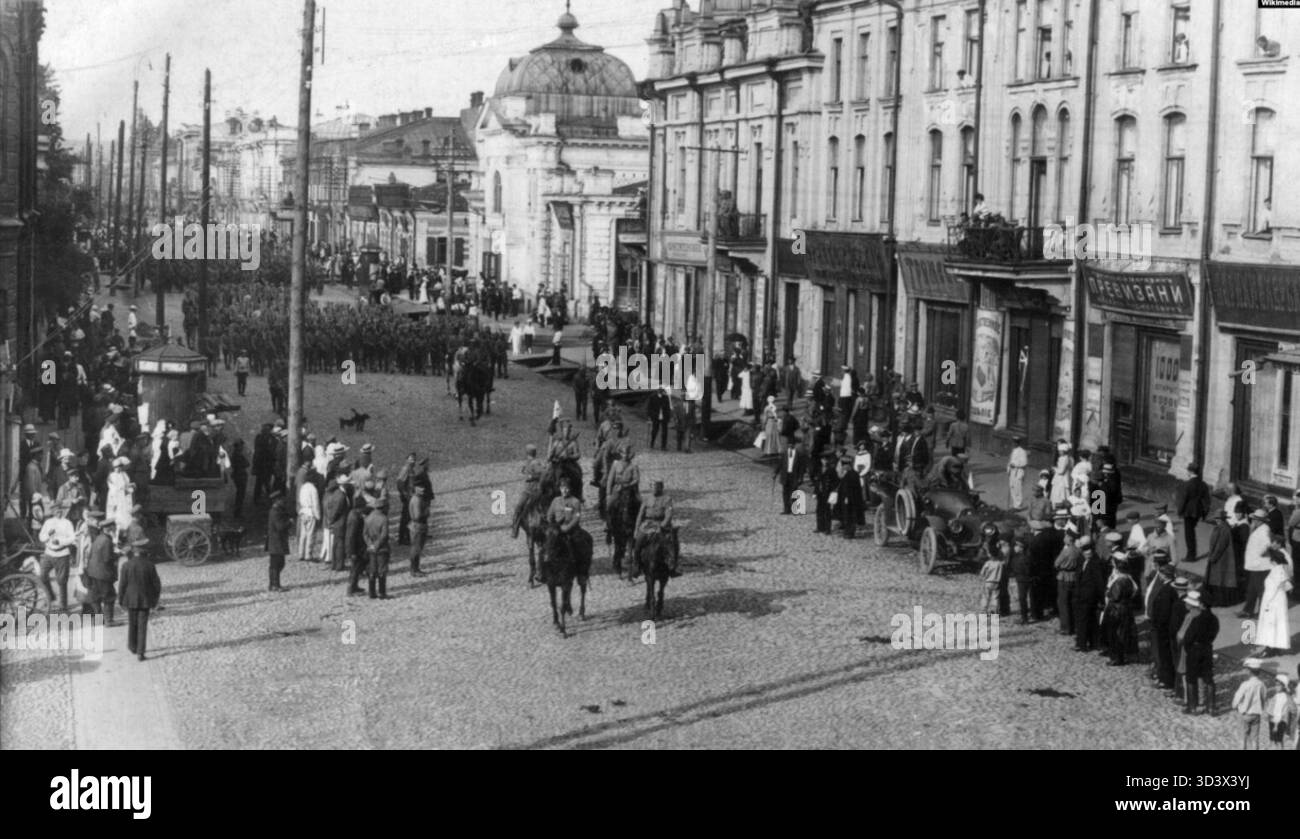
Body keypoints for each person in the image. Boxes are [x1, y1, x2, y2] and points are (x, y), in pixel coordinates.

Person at [117, 536, 161, 661]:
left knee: (132, 623)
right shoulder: (149, 565)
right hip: (145, 600)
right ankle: (141, 652)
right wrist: (154, 600)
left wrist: (120, 600)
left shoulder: (126, 565)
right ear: (144, 551)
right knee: (142, 625)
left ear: (133, 551)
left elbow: (122, 585)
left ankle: (132, 646)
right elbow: (156, 585)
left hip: (130, 599)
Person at [1179, 589, 1220, 716]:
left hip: (1195, 649)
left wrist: (1187, 647)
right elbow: (1214, 634)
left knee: (1191, 677)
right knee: (1208, 678)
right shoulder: (1214, 619)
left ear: (1201, 604)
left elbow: (1188, 636)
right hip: (1207, 648)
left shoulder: (1197, 619)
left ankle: (1192, 706)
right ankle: (1211, 706)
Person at [632, 480, 679, 578]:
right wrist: (636, 529)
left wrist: (662, 526)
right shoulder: (647, 499)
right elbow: (640, 515)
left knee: (672, 543)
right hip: (647, 524)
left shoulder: (667, 499)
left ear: (661, 487)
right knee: (638, 543)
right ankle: (636, 565)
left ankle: (673, 566)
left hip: (661, 524)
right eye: (652, 487)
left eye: (657, 487)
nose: (654, 489)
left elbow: (668, 515)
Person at [37, 502, 76, 613]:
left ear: (62, 511)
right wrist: (48, 535)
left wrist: (60, 541)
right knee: (42, 575)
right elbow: (41, 537)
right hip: (49, 553)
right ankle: (50, 596)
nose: (58, 512)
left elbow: (72, 538)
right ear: (53, 512)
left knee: (62, 581)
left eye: (60, 510)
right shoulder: (48, 522)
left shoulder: (67, 523)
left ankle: (63, 606)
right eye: (56, 510)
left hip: (62, 554)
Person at [1254, 547, 1293, 657]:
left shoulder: (1276, 571)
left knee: (1270, 624)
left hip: (1273, 601)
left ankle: (1270, 648)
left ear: (1274, 561)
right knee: (1278, 623)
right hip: (1280, 600)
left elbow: (1272, 589)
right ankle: (1276, 647)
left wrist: (1267, 604)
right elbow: (1287, 586)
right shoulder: (1282, 569)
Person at [1101, 555, 1139, 665]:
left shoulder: (1120, 581)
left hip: (1116, 610)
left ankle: (1117, 658)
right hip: (1126, 608)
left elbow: (1115, 596)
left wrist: (1108, 593)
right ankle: (1123, 656)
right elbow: (1134, 592)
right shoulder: (1129, 579)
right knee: (1123, 633)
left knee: (1116, 634)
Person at [1072, 535, 1107, 652]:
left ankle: (1082, 644)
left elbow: (1099, 582)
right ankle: (1091, 642)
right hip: (1080, 595)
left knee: (1085, 619)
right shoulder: (1081, 560)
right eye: (1085, 554)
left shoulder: (1096, 563)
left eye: (1089, 554)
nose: (1087, 556)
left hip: (1090, 596)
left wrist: (1102, 599)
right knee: (1086, 619)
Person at [1174, 463, 1211, 563]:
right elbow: (1207, 501)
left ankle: (1191, 555)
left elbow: (1183, 500)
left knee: (1189, 534)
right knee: (1192, 532)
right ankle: (1192, 554)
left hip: (1188, 512)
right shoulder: (1203, 484)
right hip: (1198, 511)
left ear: (1190, 471)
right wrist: (1204, 513)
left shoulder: (1187, 485)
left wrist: (1180, 511)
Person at [1239, 509, 1273, 618]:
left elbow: (1267, 544)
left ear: (1259, 520)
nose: (1252, 520)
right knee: (1252, 590)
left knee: (1260, 590)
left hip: (1261, 566)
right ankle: (1247, 610)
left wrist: (1260, 554)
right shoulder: (1259, 528)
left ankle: (1262, 613)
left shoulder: (1264, 530)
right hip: (1256, 565)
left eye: (1254, 519)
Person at [1204, 509, 1239, 607]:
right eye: (1216, 518)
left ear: (1223, 519)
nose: (1217, 520)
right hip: (1218, 557)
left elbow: (1221, 546)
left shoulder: (1224, 529)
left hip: (1221, 558)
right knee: (1217, 579)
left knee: (1219, 580)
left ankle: (1220, 602)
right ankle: (1216, 600)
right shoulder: (1220, 527)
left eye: (1219, 518)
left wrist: (1213, 557)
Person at [545, 479, 583, 564]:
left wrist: (567, 528)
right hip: (557, 526)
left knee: (573, 542)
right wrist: (551, 524)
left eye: (567, 488)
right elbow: (549, 514)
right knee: (547, 541)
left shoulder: (575, 501)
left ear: (570, 489)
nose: (564, 490)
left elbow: (577, 517)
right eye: (562, 488)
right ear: (560, 489)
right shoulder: (556, 500)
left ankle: (574, 560)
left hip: (570, 527)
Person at [1233, 658, 1268, 750]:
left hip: (1245, 714)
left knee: (1242, 738)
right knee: (1254, 739)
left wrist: (1234, 706)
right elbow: (1264, 698)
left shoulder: (1245, 684)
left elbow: (1237, 698)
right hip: (1256, 715)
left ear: (1249, 671)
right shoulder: (1262, 684)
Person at [364, 497, 392, 599]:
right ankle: (382, 593)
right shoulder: (384, 519)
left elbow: (365, 534)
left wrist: (370, 544)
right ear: (382, 507)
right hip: (381, 549)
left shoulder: (368, 518)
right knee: (382, 570)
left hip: (371, 548)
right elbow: (384, 535)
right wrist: (377, 545)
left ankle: (371, 593)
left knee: (372, 570)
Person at [833, 455, 866, 539]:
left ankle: (850, 533)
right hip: (846, 498)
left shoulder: (853, 474)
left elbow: (852, 488)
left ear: (848, 465)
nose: (843, 467)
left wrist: (847, 497)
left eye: (844, 466)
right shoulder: (848, 473)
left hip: (851, 499)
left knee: (850, 516)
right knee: (847, 515)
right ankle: (847, 532)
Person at [977, 526, 1007, 615]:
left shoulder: (988, 563)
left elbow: (982, 573)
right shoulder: (1000, 563)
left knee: (985, 596)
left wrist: (982, 577)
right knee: (995, 597)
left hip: (988, 582)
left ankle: (983, 610)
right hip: (996, 582)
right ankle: (995, 610)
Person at [266, 489, 290, 592]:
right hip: (277, 542)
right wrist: (289, 523)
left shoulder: (275, 510)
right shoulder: (276, 512)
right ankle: (275, 584)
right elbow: (280, 527)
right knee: (278, 564)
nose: (283, 501)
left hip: (275, 542)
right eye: (281, 499)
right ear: (277, 500)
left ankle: (273, 584)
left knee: (275, 564)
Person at [776, 439, 809, 515]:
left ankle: (795, 509)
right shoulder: (784, 453)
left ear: (794, 445)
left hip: (794, 476)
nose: (790, 446)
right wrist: (775, 472)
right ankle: (786, 509)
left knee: (794, 492)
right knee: (785, 493)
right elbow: (780, 464)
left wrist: (801, 477)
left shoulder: (798, 454)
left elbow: (801, 467)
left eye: (792, 444)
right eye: (789, 444)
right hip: (785, 475)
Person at [296, 463, 320, 562]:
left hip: (303, 511)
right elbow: (316, 503)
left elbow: (300, 499)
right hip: (310, 512)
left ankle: (300, 553)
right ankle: (308, 554)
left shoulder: (303, 487)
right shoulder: (313, 489)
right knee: (310, 534)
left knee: (303, 534)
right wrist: (318, 515)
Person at [1268, 675, 1296, 748]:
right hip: (1276, 721)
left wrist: (1276, 725)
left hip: (1278, 722)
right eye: (1276, 685)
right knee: (1277, 740)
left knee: (1276, 741)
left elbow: (1279, 712)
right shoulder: (1279, 695)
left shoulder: (1282, 697)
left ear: (1284, 686)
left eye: (1278, 685)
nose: (1276, 687)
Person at [408, 484, 430, 577]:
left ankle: (415, 569)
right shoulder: (417, 500)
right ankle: (414, 569)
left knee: (416, 548)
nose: (423, 490)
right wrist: (426, 512)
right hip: (418, 526)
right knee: (416, 549)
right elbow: (417, 516)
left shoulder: (415, 498)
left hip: (416, 526)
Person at [1006, 436, 1028, 509]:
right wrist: (1008, 469)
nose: (1014, 444)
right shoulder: (1013, 451)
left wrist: (1015, 465)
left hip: (1018, 472)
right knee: (1012, 487)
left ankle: (1018, 505)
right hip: (1012, 472)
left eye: (1015, 442)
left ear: (1018, 443)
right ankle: (1014, 503)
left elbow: (1024, 463)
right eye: (1013, 442)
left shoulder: (1022, 451)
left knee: (1017, 488)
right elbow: (1010, 461)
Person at [648, 386, 672, 451]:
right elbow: (649, 407)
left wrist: (668, 417)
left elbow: (668, 408)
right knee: (655, 430)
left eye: (662, 390)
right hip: (655, 417)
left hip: (664, 417)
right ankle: (652, 443)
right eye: (660, 390)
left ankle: (663, 446)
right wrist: (650, 416)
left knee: (665, 432)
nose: (661, 391)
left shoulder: (665, 397)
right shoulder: (652, 397)